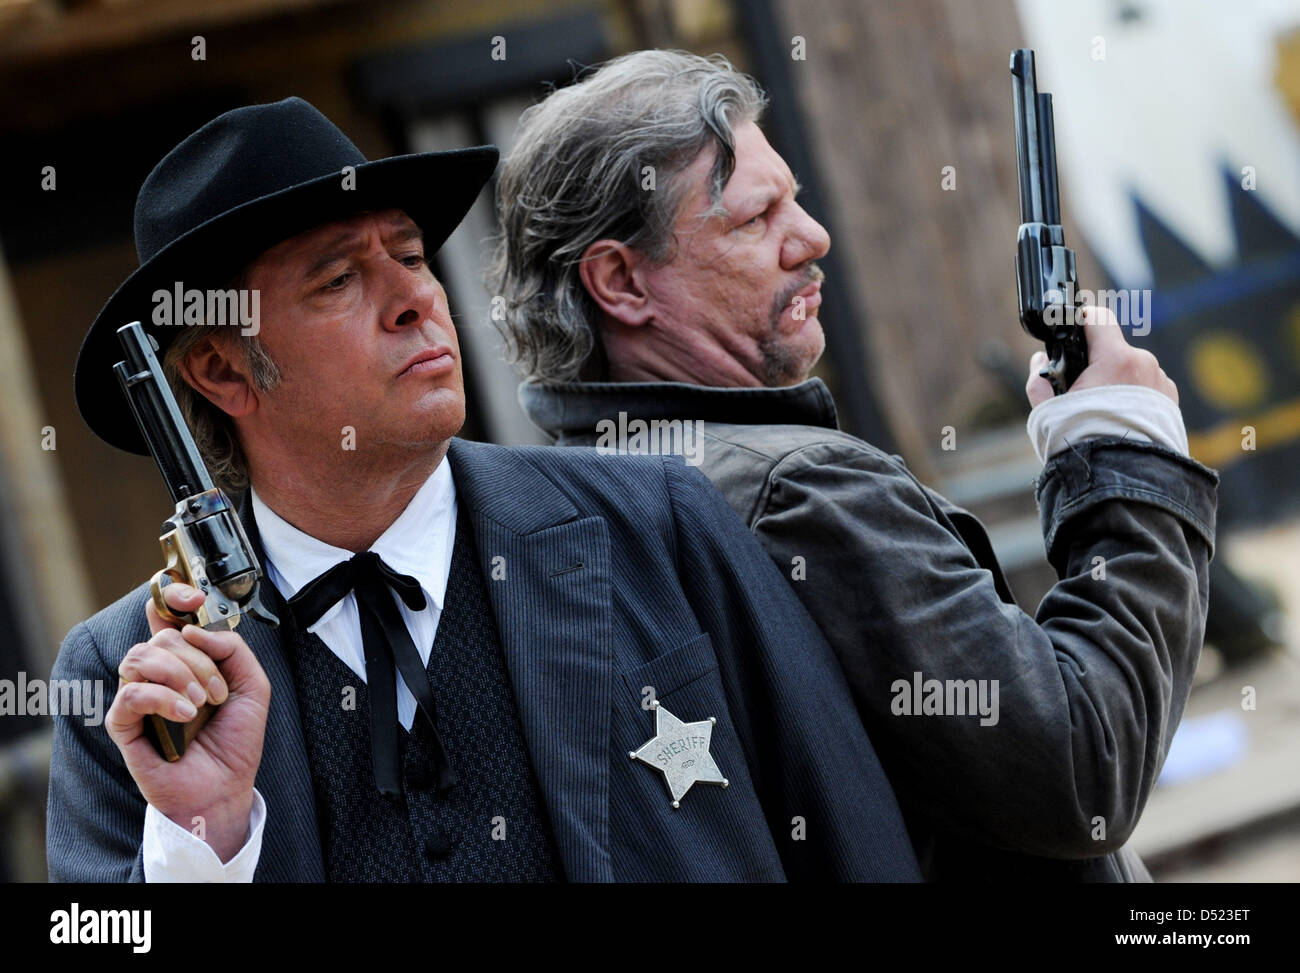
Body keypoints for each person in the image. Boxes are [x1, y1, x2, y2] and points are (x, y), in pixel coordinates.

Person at [46, 96, 922, 882]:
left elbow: (853, 838)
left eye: (412, 255)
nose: (416, 299)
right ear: (221, 370)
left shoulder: (660, 521)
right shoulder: (131, 684)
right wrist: (201, 844)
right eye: (339, 279)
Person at [489, 50, 1219, 881]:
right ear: (620, 281)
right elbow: (1082, 767)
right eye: (757, 217)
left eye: (794, 199)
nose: (813, 237)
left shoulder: (572, 503)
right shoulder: (798, 490)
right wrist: (1126, 457)